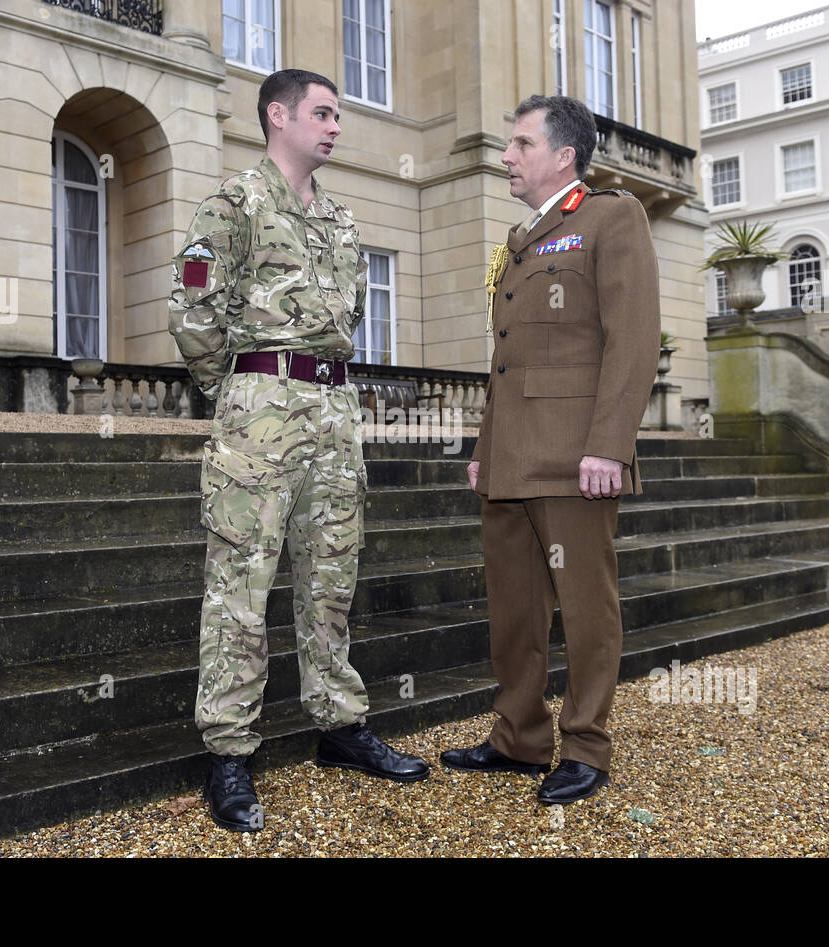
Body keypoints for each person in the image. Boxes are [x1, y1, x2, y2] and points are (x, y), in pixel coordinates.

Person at [168, 68, 429, 833]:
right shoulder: (234, 202)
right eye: (322, 112)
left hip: (335, 410)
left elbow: (343, 316)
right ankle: (228, 751)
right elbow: (192, 307)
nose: (336, 125)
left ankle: (340, 724)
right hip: (262, 410)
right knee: (241, 583)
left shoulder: (342, 221)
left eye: (339, 114)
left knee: (331, 574)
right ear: (277, 116)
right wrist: (242, 389)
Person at [442, 95, 661, 804]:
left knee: (585, 604)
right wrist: (485, 444)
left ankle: (587, 747)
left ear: (563, 155)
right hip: (511, 459)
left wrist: (609, 445)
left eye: (519, 143)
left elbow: (632, 339)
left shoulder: (609, 216)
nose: (506, 155)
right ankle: (520, 737)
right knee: (514, 608)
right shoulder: (521, 240)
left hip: (575, 459)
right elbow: (509, 359)